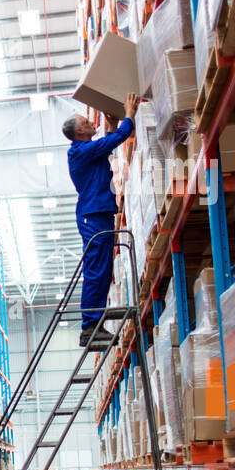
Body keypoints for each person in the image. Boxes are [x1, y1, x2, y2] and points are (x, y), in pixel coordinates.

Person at [62, 92, 140, 348]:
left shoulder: (88, 151)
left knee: (103, 271)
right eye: (86, 122)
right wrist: (129, 113)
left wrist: (111, 125)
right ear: (80, 133)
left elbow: (107, 142)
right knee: (96, 270)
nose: (90, 123)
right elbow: (117, 139)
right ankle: (89, 327)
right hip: (92, 216)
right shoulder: (80, 152)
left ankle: (94, 324)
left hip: (99, 213)